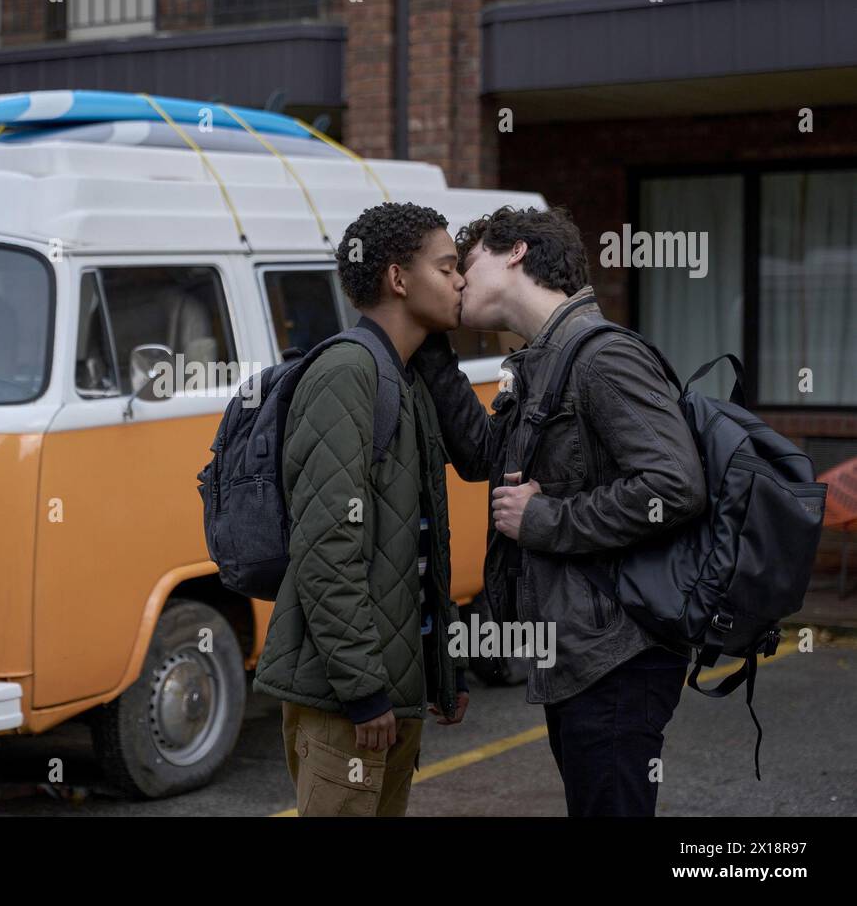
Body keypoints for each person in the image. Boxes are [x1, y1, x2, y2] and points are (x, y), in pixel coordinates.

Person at [414, 205, 706, 816]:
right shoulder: (542, 360)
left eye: (466, 265)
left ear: (516, 251)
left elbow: (675, 486)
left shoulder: (601, 356)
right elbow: (482, 457)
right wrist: (431, 340)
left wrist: (548, 519)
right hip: (580, 650)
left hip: (620, 655)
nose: (460, 282)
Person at [254, 202, 469, 817]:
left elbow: (419, 548)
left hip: (389, 698)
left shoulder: (403, 375)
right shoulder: (347, 372)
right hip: (347, 701)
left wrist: (438, 673)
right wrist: (364, 689)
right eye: (448, 267)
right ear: (399, 280)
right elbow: (327, 546)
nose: (461, 281)